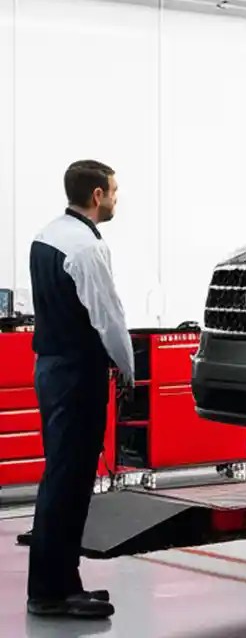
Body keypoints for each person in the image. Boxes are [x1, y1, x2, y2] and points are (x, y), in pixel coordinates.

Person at [26, 160, 133, 619]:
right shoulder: (86, 248)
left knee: (62, 478)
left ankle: (61, 582)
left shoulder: (47, 235)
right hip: (77, 374)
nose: (116, 198)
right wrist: (127, 367)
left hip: (50, 367)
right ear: (96, 195)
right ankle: (53, 591)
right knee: (69, 483)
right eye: (113, 190)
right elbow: (107, 315)